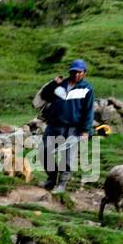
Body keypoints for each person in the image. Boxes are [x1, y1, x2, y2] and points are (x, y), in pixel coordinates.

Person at [34, 59, 95, 193]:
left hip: (74, 128)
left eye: (79, 72)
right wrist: (53, 84)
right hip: (54, 125)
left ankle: (62, 184)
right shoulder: (60, 85)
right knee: (44, 152)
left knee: (67, 157)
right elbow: (44, 95)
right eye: (74, 72)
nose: (76, 74)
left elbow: (88, 111)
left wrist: (86, 130)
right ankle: (51, 178)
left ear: (84, 73)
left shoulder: (87, 89)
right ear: (70, 72)